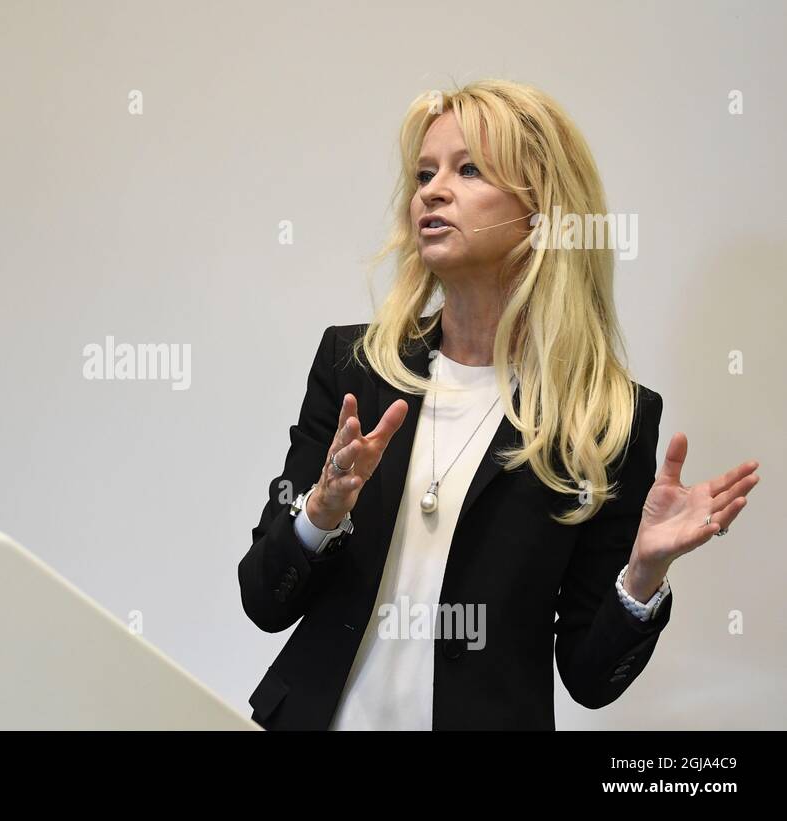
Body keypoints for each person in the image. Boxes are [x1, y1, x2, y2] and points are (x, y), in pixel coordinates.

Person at [237, 79, 761, 730]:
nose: (432, 189)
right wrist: (319, 514)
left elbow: (589, 678)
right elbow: (262, 599)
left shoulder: (603, 420)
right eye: (424, 173)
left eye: (469, 169)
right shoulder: (357, 366)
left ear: (541, 208)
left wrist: (643, 574)